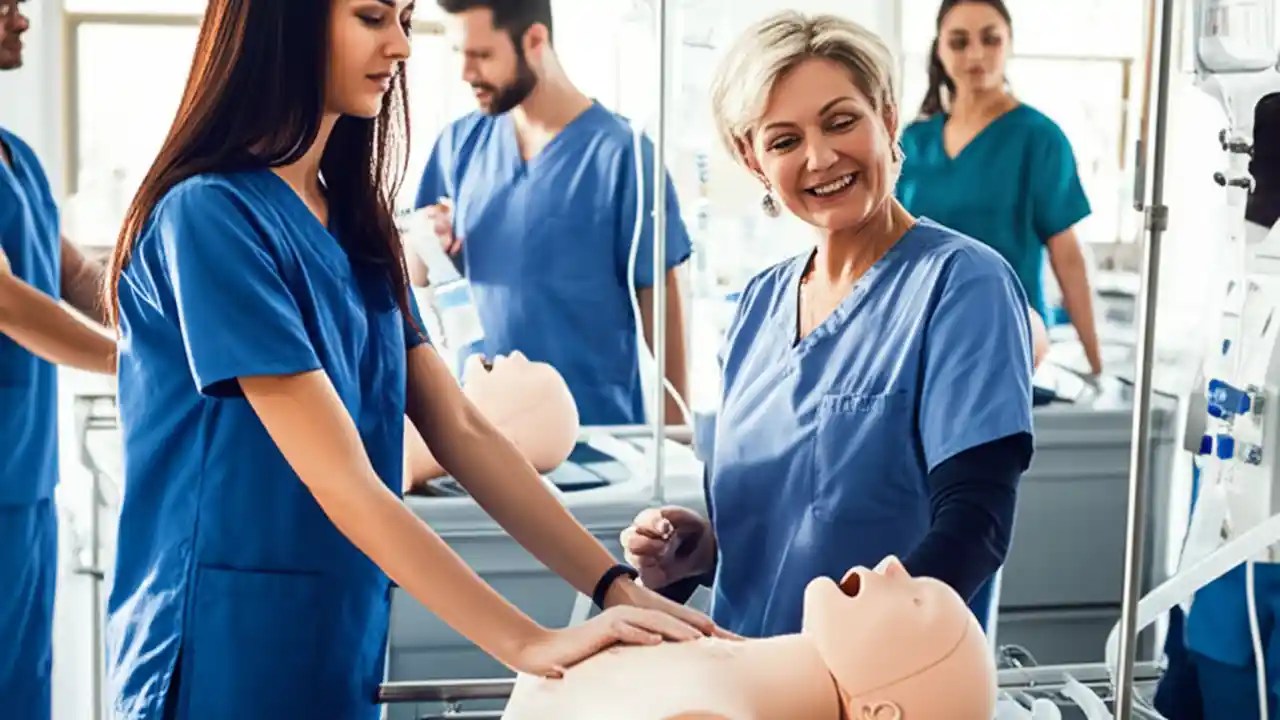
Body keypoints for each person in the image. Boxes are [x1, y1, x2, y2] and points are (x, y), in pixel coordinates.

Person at [102, 3, 725, 718]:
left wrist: (615, 584)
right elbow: (344, 478)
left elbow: (462, 428)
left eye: (403, 16)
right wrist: (527, 643)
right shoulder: (211, 216)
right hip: (217, 640)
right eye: (372, 16)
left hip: (334, 633)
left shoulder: (353, 222)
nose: (401, 44)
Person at [621, 11, 1035, 639]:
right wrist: (702, 552)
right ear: (752, 158)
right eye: (783, 140)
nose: (820, 156)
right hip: (747, 679)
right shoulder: (757, 306)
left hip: (886, 685)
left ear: (887, 119)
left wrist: (845, 656)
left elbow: (974, 531)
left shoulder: (962, 285)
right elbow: (786, 528)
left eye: (842, 122)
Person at [415, 0, 692, 426]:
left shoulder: (625, 157)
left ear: (535, 40)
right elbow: (417, 274)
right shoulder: (460, 142)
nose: (466, 73)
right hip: (483, 437)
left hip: (597, 438)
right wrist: (425, 245)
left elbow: (661, 298)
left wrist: (676, 431)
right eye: (460, 54)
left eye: (482, 55)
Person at [0, 1, 116, 717]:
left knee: (21, 689)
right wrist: (139, 366)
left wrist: (182, 325)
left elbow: (72, 276)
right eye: (6, 4)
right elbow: (8, 301)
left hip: (27, 486)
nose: (23, 18)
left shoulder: (17, 154)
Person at [502, 557, 997, 720]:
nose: (892, 565)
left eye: (916, 604)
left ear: (881, 713)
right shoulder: (717, 669)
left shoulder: (713, 710)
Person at [895, 0, 1104, 379]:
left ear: (1009, 44)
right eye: (959, 42)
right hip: (919, 341)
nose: (976, 54)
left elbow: (1067, 257)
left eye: (990, 40)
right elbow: (886, 248)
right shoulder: (913, 141)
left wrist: (1095, 361)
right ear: (939, 50)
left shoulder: (1039, 138)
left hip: (1006, 339)